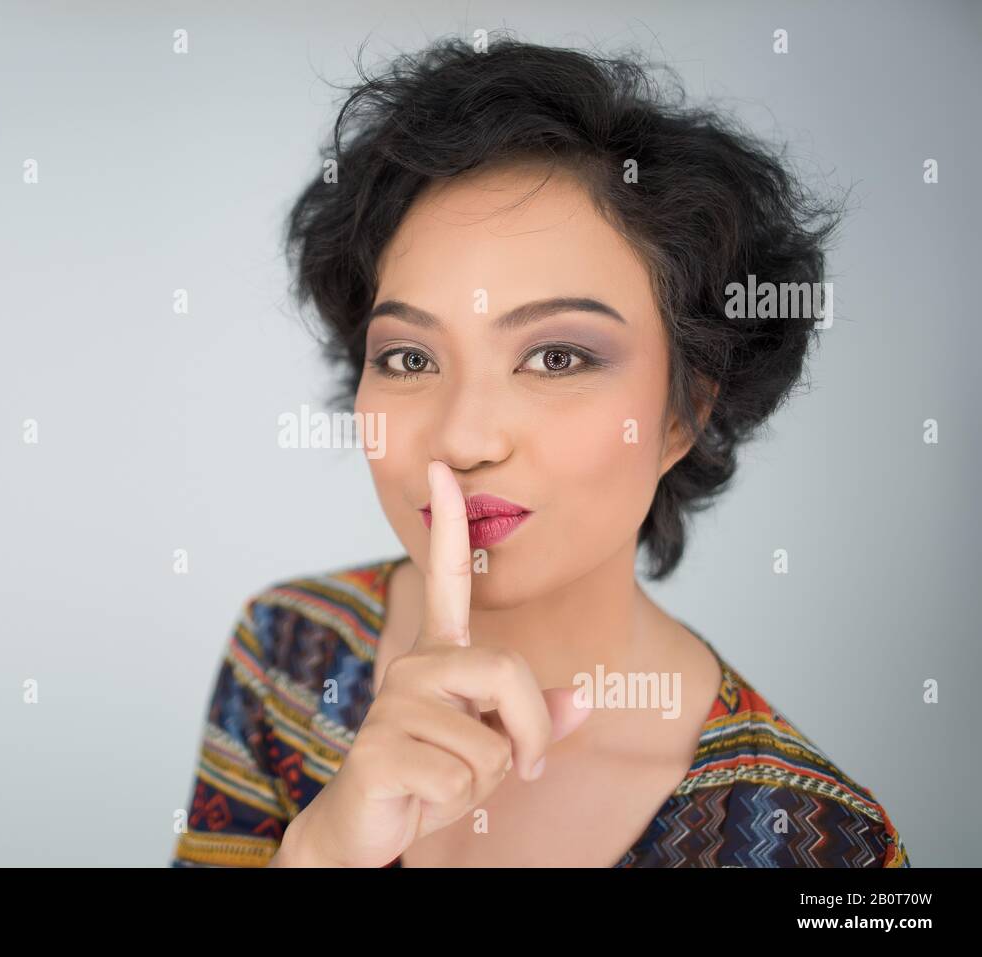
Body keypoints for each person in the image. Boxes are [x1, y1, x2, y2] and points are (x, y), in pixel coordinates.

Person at [171, 34, 908, 868]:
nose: (461, 438)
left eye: (557, 357)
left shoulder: (820, 843)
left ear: (686, 409)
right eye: (409, 358)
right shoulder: (290, 654)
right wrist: (321, 853)